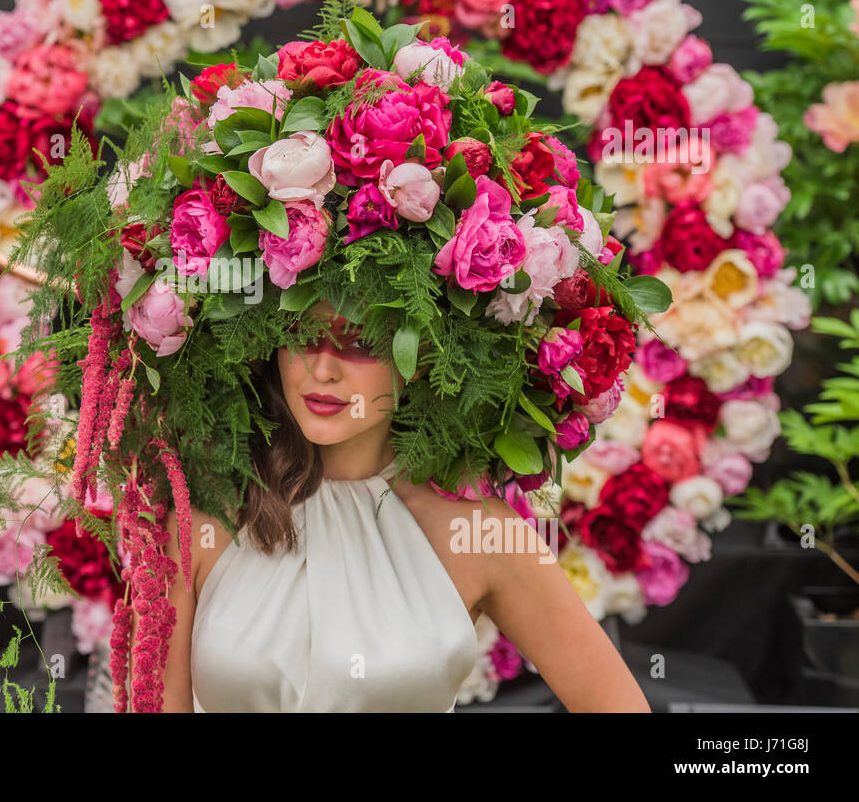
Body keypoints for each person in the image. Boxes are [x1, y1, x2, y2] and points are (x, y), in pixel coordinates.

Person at [141, 299, 652, 713]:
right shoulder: (204, 510)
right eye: (300, 332)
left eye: (360, 341)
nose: (322, 369)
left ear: (425, 354)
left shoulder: (477, 532)